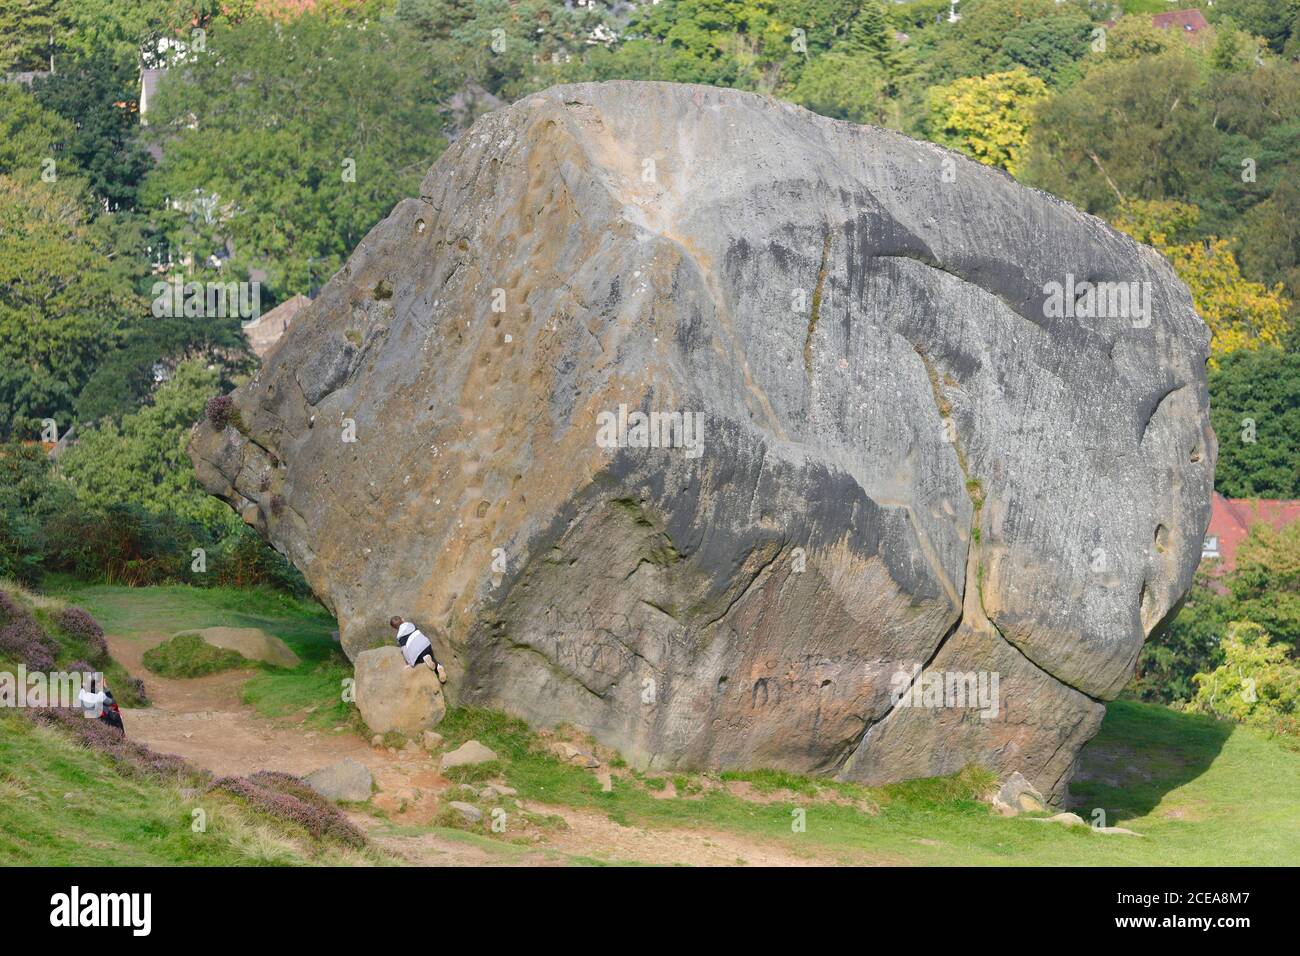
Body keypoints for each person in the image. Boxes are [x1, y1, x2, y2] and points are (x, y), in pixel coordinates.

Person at [390, 616, 447, 683]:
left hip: (419, 652)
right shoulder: (411, 625)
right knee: (432, 658)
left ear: (394, 628)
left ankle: (425, 659)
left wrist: (410, 663)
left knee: (418, 660)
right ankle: (439, 667)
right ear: (403, 619)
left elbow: (405, 651)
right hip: (427, 644)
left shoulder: (400, 636)